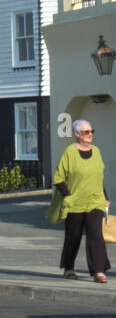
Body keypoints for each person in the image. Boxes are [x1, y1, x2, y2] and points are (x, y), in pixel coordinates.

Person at [48, 119, 110, 282]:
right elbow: (58, 177)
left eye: (91, 131)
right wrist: (67, 196)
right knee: (73, 236)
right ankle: (68, 268)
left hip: (95, 201)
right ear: (77, 134)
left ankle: (98, 271)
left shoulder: (96, 151)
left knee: (96, 234)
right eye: (86, 132)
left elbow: (98, 177)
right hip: (74, 202)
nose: (90, 134)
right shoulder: (69, 152)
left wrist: (105, 197)